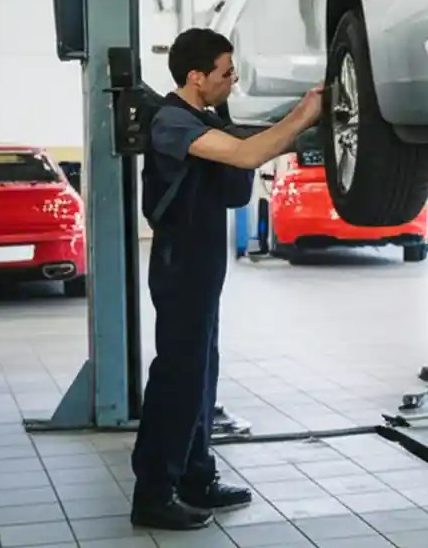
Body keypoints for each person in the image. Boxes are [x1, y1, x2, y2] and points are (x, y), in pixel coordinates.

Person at [130, 28, 322, 531]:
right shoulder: (172, 122)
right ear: (196, 77)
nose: (232, 81)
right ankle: (153, 492)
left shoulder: (204, 116)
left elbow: (242, 150)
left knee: (202, 372)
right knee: (178, 376)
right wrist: (303, 116)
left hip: (202, 261)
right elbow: (244, 155)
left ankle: (195, 476)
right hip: (181, 262)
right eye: (226, 73)